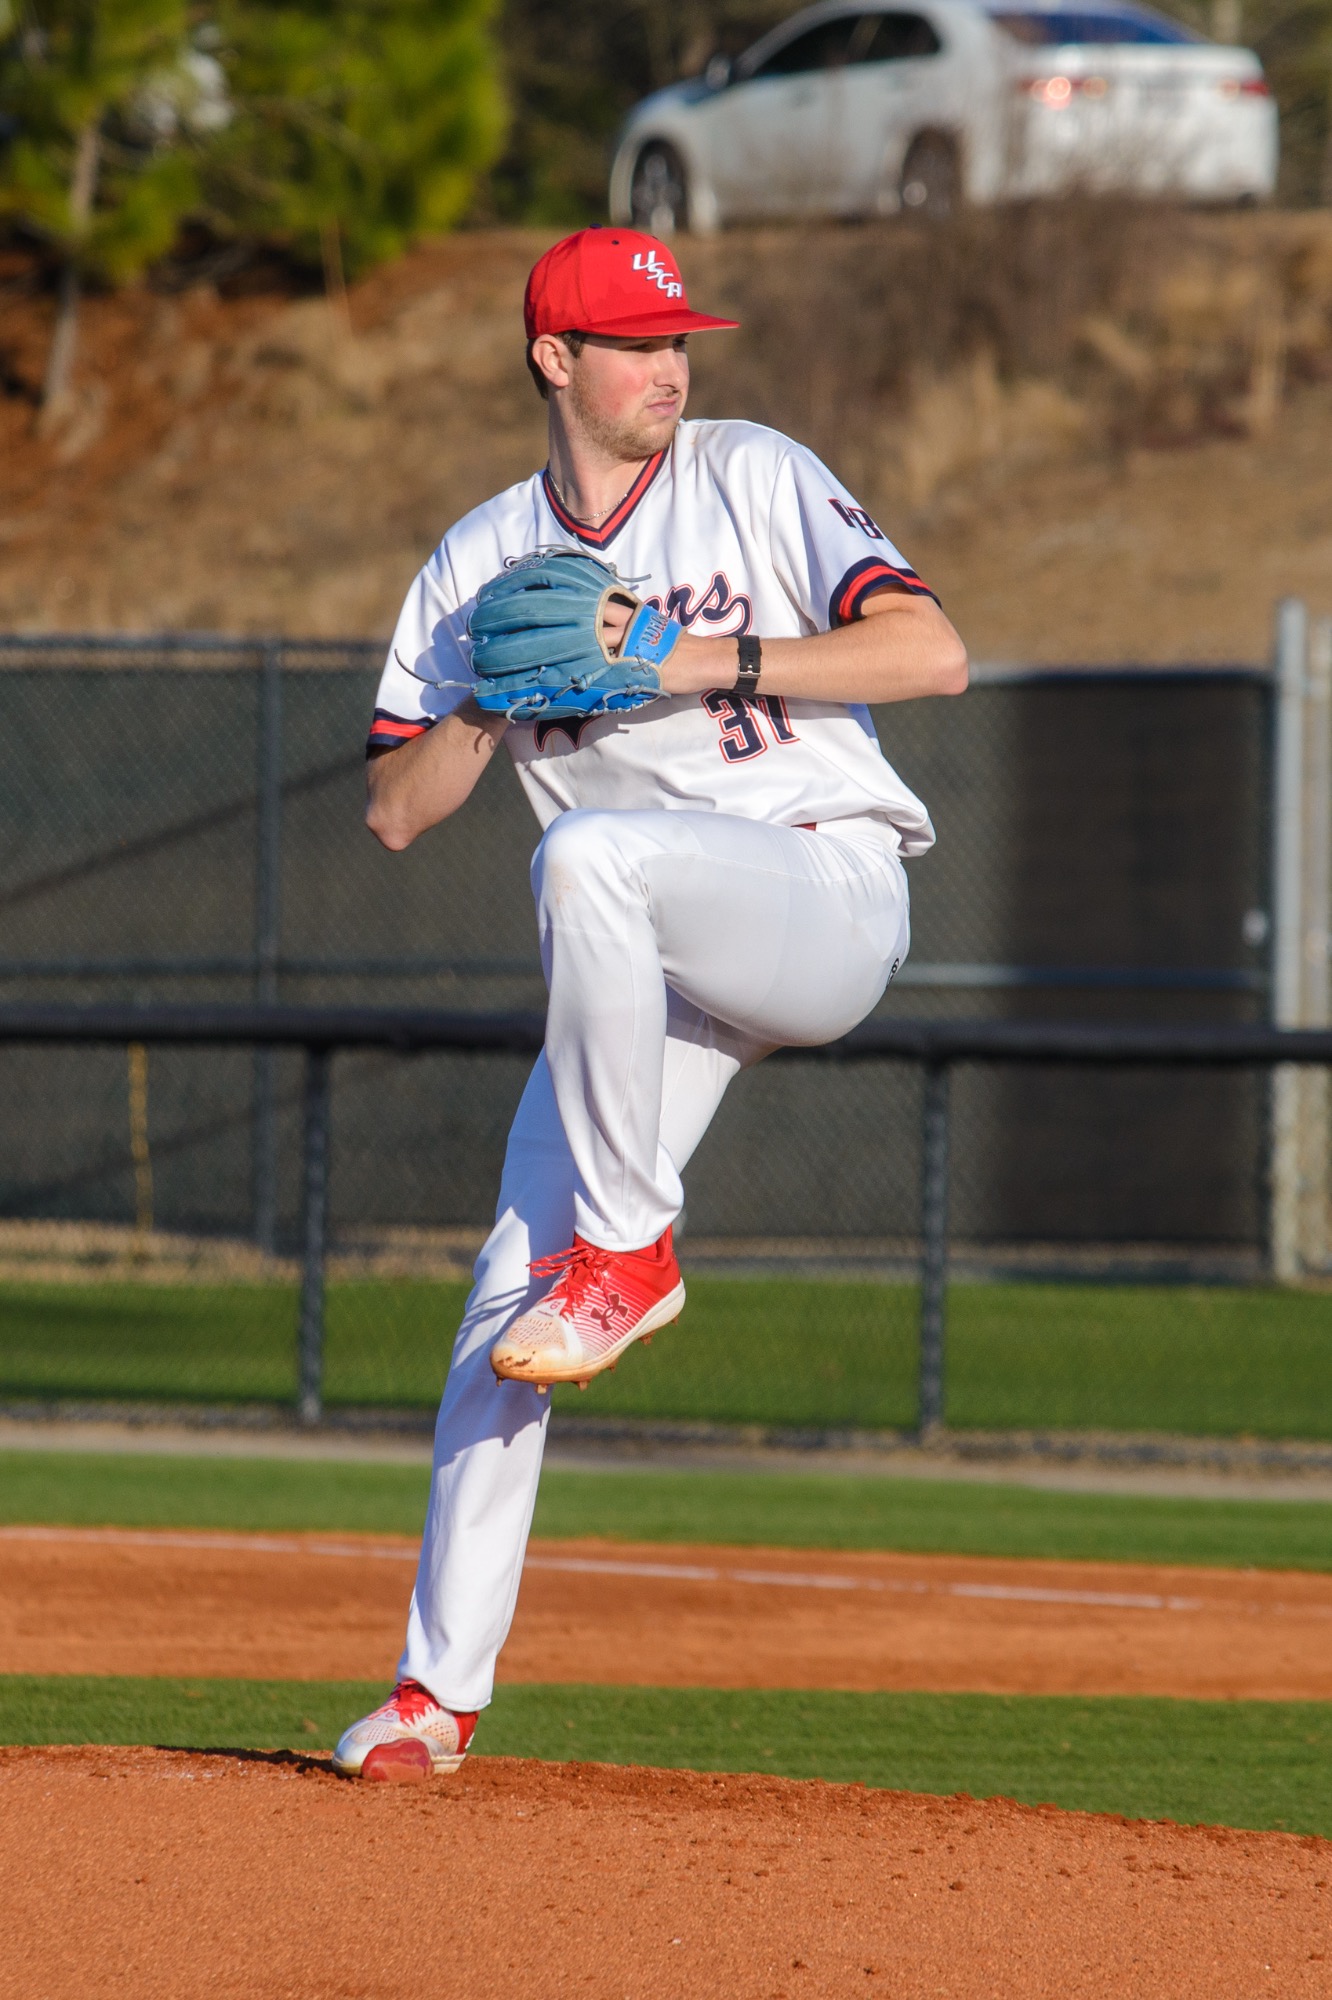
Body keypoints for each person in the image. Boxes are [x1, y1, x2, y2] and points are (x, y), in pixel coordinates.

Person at [333, 226, 967, 1781]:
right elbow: (399, 811)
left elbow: (933, 655)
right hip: (648, 976)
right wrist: (487, 691)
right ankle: (433, 1702)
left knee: (593, 862)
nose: (668, 369)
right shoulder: (477, 563)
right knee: (510, 1304)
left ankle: (632, 1245)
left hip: (820, 890)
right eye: (631, 343)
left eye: (678, 340)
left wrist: (699, 657)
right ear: (555, 359)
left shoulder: (752, 472)